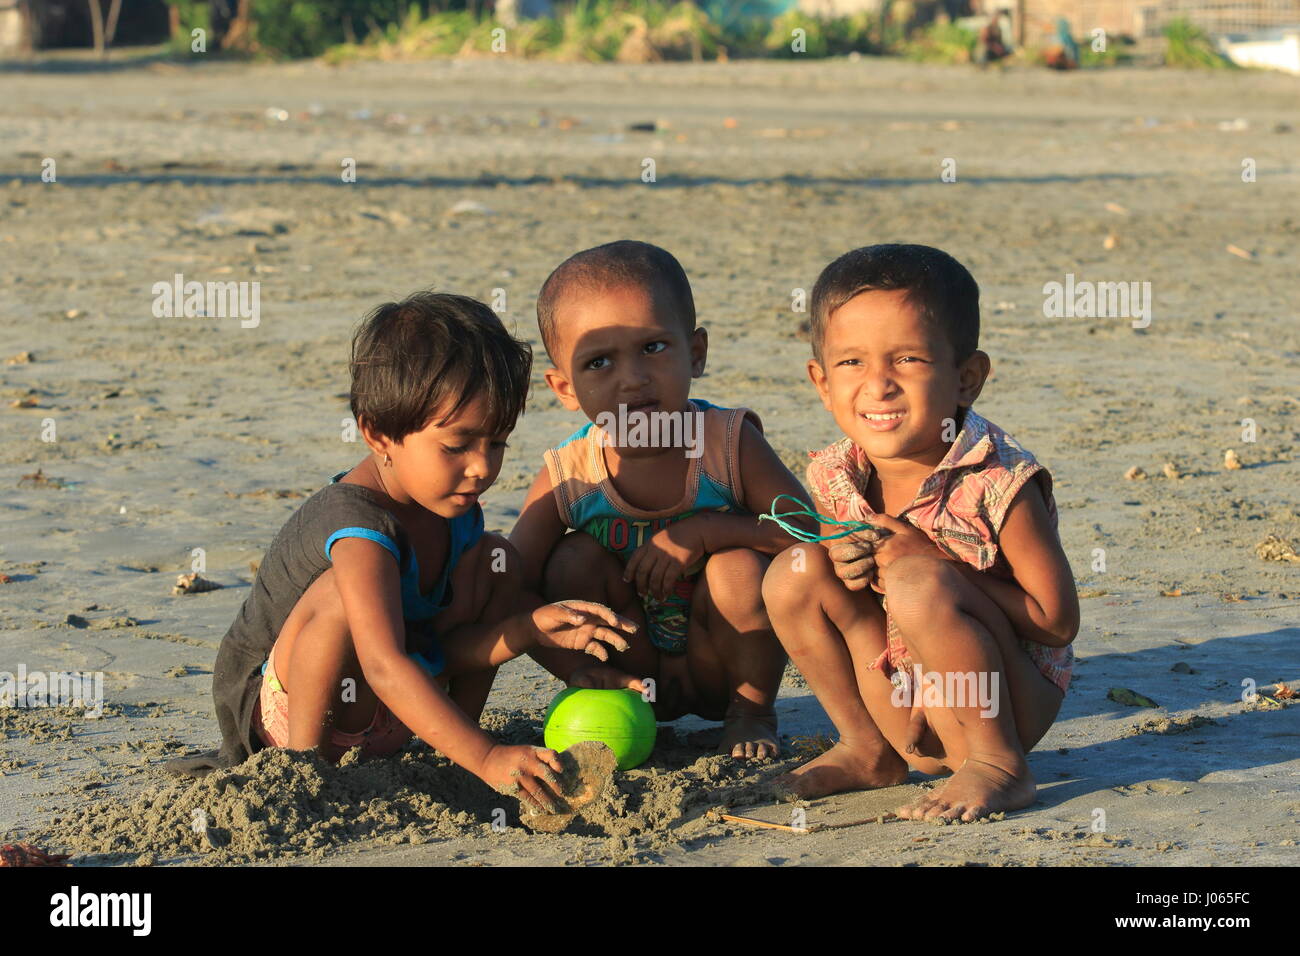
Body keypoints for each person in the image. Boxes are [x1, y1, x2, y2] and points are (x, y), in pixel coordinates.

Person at [209, 291, 636, 813]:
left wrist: (533, 634)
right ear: (378, 434)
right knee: (342, 594)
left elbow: (437, 650)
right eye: (457, 446)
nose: (482, 468)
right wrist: (489, 758)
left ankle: (455, 747)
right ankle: (305, 776)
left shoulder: (451, 507)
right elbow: (384, 663)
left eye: (497, 443)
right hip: (287, 718)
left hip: (392, 710)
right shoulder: (357, 523)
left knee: (497, 561)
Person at [762, 244, 1079, 821]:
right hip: (902, 698)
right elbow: (845, 589)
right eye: (852, 362)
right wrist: (842, 561)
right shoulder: (835, 474)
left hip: (1004, 704)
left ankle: (1000, 767)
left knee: (917, 581)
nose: (878, 385)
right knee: (794, 572)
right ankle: (868, 750)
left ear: (966, 378)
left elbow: (1057, 623)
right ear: (821, 382)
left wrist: (939, 566)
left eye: (907, 359)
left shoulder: (998, 480)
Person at [509, 240, 815, 760]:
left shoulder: (726, 445)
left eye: (652, 347)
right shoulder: (571, 473)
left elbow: (808, 534)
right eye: (599, 362)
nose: (632, 378)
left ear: (696, 353)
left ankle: (752, 713)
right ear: (564, 387)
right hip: (628, 675)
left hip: (723, 668)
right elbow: (509, 583)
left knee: (738, 566)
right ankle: (604, 689)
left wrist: (708, 531)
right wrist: (572, 666)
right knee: (571, 560)